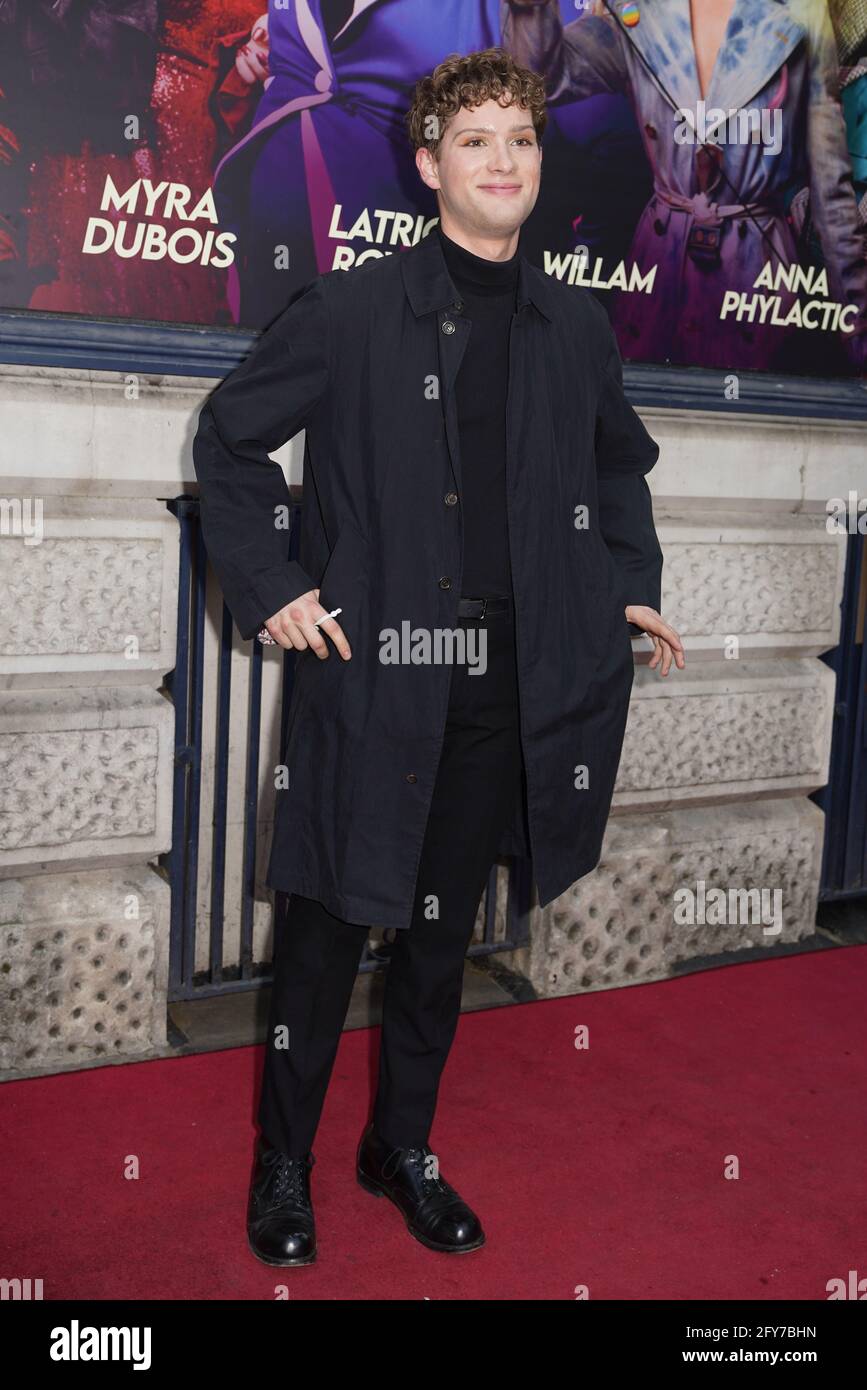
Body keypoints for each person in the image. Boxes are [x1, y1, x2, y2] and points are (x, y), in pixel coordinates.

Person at [192, 45, 683, 1265]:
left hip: (506, 692)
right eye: (475, 141)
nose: (504, 159)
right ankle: (284, 1169)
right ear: (429, 166)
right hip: (371, 685)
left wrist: (623, 589)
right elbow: (231, 444)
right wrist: (277, 589)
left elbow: (619, 470)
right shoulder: (353, 309)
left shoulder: (576, 325)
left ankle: (400, 1147)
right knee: (320, 941)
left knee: (432, 939)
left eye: (520, 138)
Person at [505, 0, 867, 374]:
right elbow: (539, 81)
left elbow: (831, 195)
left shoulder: (801, 12)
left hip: (758, 282)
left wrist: (859, 344)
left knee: (752, 417)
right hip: (658, 272)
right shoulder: (638, 10)